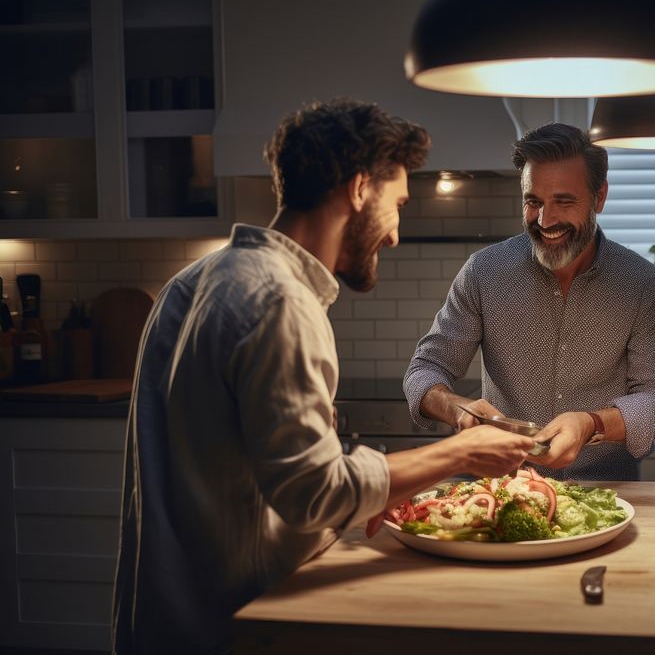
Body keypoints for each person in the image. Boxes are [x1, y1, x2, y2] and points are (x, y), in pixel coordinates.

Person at [112, 98, 536, 655]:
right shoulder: (279, 302)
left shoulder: (191, 282)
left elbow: (250, 469)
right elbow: (313, 494)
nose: (395, 234)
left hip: (163, 624)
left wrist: (377, 487)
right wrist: (463, 453)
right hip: (237, 625)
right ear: (360, 188)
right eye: (398, 204)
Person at [404, 123, 655, 482]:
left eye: (563, 202)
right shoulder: (483, 272)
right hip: (500, 487)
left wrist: (591, 423)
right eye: (533, 202)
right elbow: (424, 369)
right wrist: (456, 408)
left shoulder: (645, 285)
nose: (545, 220)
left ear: (600, 197)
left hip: (605, 490)